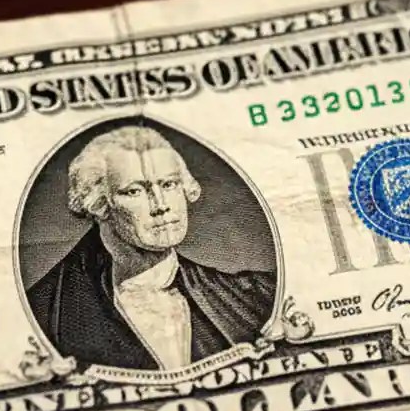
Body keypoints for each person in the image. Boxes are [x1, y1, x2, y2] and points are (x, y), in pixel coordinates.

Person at [26, 126, 275, 372]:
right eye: (134, 191)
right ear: (98, 203)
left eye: (169, 184)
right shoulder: (43, 312)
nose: (161, 205)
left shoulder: (256, 295)